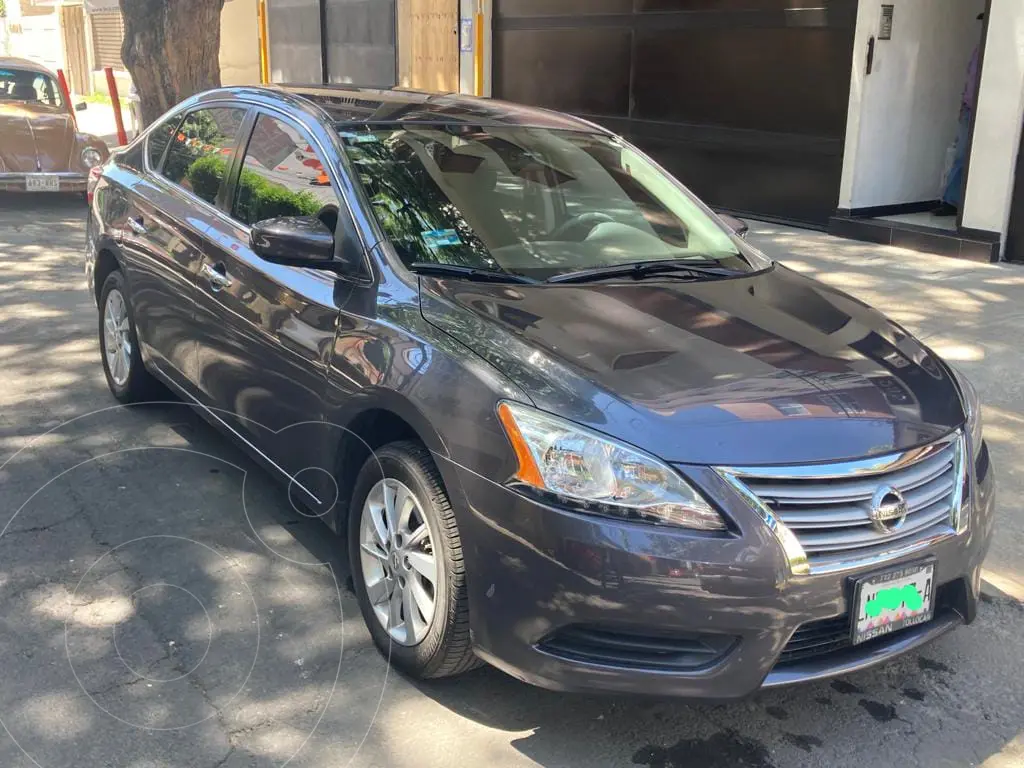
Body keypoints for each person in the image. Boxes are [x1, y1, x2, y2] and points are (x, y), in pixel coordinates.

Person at [934, 13, 984, 216]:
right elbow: (969, 81)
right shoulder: (977, 51)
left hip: (986, 110)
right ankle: (951, 201)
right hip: (969, 108)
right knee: (961, 155)